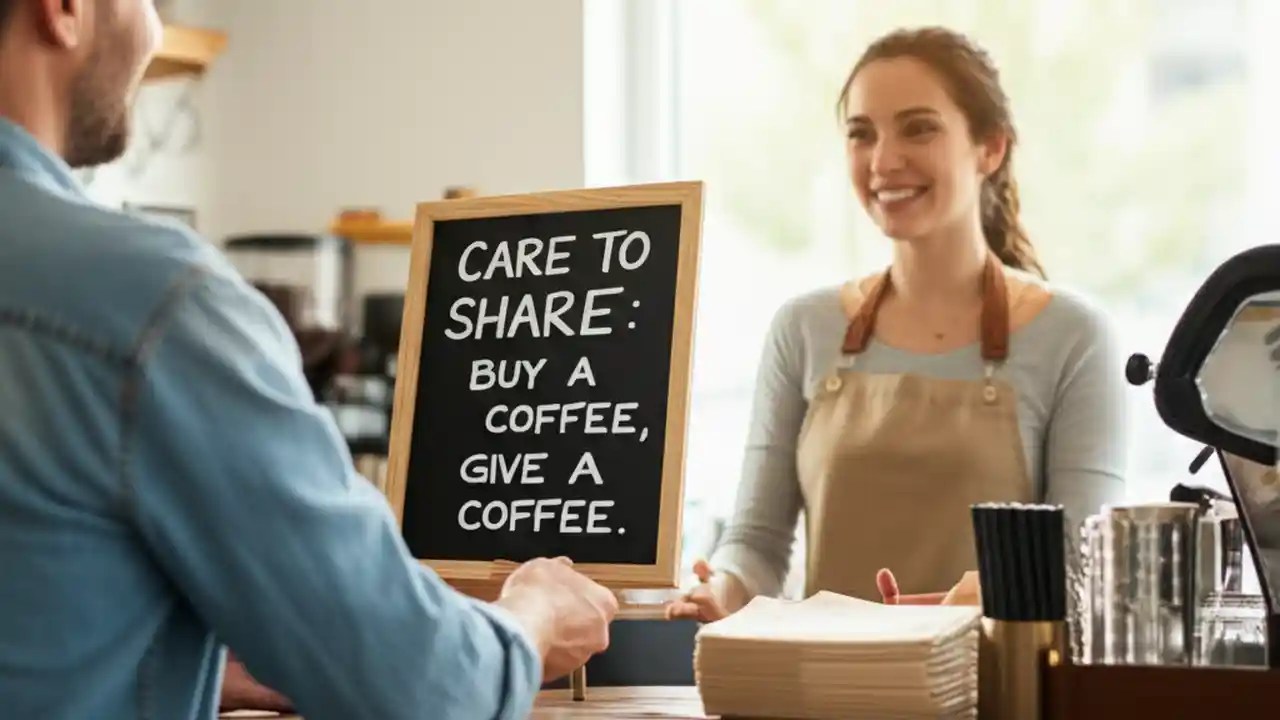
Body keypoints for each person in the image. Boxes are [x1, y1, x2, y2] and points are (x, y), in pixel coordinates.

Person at [0, 1, 617, 718]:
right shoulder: (147, 305)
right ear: (65, 9)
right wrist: (534, 617)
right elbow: (421, 685)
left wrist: (178, 662)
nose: (156, 28)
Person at [667, 26, 1127, 622]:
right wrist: (720, 589)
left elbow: (1081, 566)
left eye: (919, 128)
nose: (883, 161)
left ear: (990, 147)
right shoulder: (803, 328)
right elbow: (757, 545)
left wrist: (994, 593)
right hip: (827, 698)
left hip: (996, 700)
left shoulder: (1074, 336)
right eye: (861, 135)